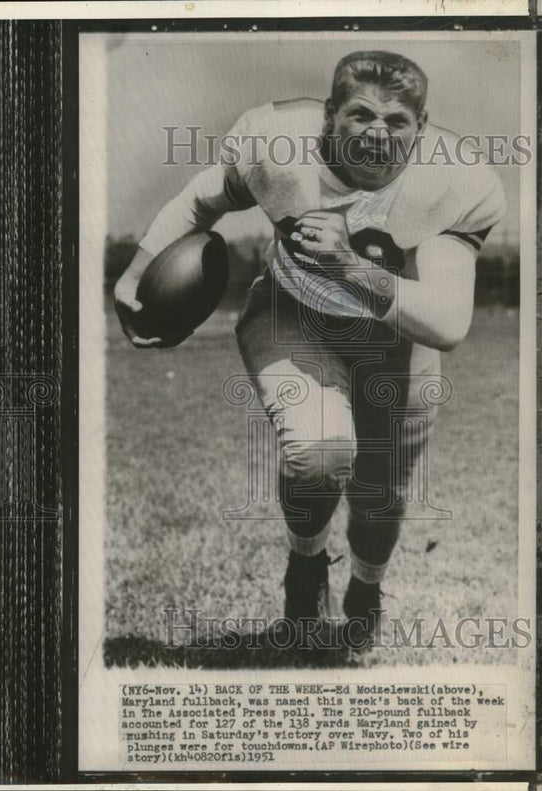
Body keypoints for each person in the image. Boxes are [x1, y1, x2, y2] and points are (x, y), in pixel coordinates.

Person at [114, 51, 506, 657]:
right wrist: (135, 275)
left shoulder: (455, 182)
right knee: (320, 449)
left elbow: (447, 322)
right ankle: (305, 569)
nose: (378, 133)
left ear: (422, 129)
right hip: (293, 313)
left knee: (382, 494)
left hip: (394, 338)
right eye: (361, 115)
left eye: (398, 121)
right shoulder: (275, 141)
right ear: (330, 115)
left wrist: (348, 264)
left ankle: (367, 590)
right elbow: (200, 203)